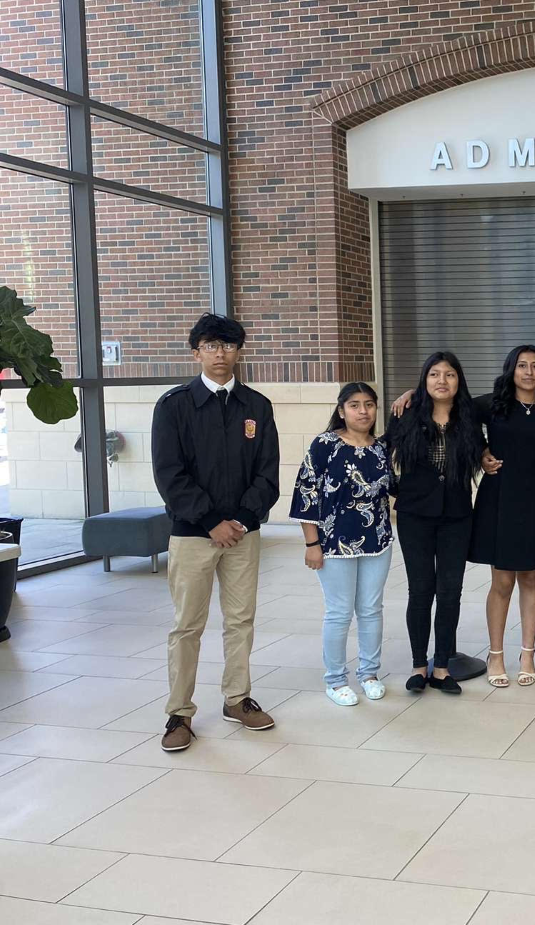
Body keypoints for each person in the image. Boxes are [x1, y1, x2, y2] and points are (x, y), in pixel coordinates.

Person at [151, 313, 280, 752]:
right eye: (210, 345)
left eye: (227, 345)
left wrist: (241, 519)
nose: (219, 353)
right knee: (187, 625)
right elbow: (170, 474)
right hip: (192, 534)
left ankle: (237, 698)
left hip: (244, 533)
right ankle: (179, 713)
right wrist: (210, 521)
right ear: (196, 352)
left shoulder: (257, 406)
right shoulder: (174, 406)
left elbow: (268, 473)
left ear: (239, 351)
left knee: (241, 620)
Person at [386, 352, 486, 696]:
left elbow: (502, 400)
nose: (442, 380)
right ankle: (418, 666)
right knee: (421, 590)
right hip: (415, 516)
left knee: (449, 592)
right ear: (424, 380)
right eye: (434, 374)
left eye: (449, 374)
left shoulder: (470, 416)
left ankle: (441, 667)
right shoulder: (406, 414)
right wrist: (402, 492)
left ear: (459, 381)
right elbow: (384, 457)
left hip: (457, 515)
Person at [290, 383, 393, 706]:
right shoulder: (325, 445)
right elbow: (307, 493)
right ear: (341, 410)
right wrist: (312, 544)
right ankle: (335, 680)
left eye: (369, 404)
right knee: (339, 613)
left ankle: (369, 673)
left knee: (371, 610)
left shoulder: (381, 447)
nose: (363, 411)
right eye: (354, 405)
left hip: (378, 542)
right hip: (333, 544)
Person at [469, 345, 535, 687]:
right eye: (522, 366)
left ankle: (527, 654)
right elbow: (454, 407)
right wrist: (480, 452)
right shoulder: (494, 405)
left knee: (529, 578)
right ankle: (496, 654)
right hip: (500, 500)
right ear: (511, 370)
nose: (529, 372)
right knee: (502, 581)